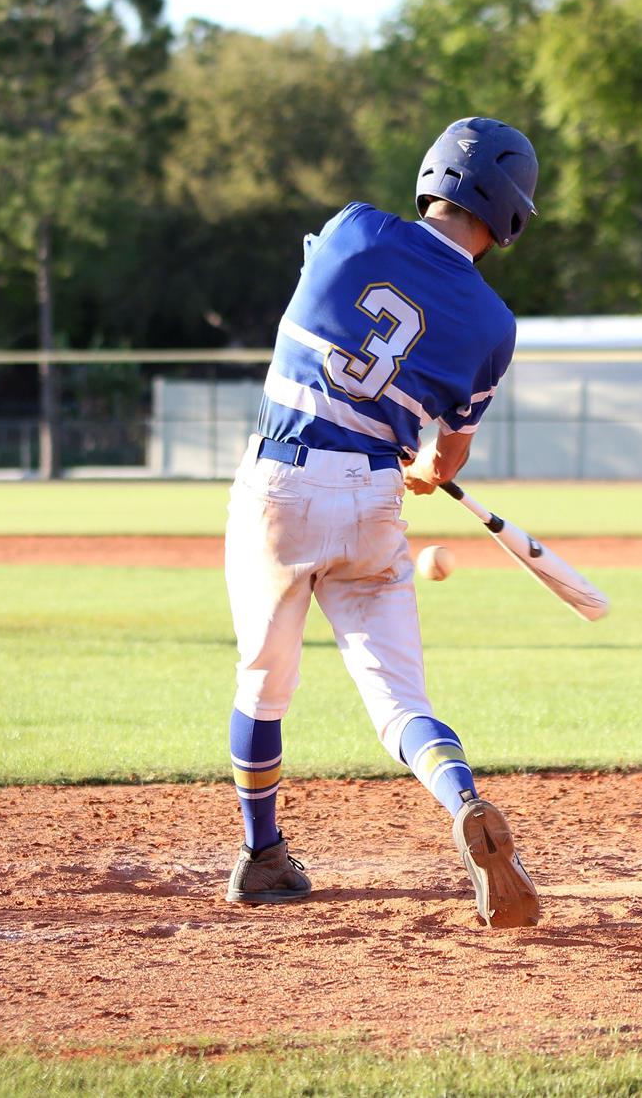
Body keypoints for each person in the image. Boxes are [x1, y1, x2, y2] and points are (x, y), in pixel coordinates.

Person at [221, 118, 542, 928]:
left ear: (433, 176)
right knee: (399, 699)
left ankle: (264, 855)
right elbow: (446, 456)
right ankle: (462, 797)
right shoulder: (494, 327)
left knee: (263, 684)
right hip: (372, 494)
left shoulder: (351, 228)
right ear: (507, 216)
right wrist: (432, 470)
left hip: (281, 481)